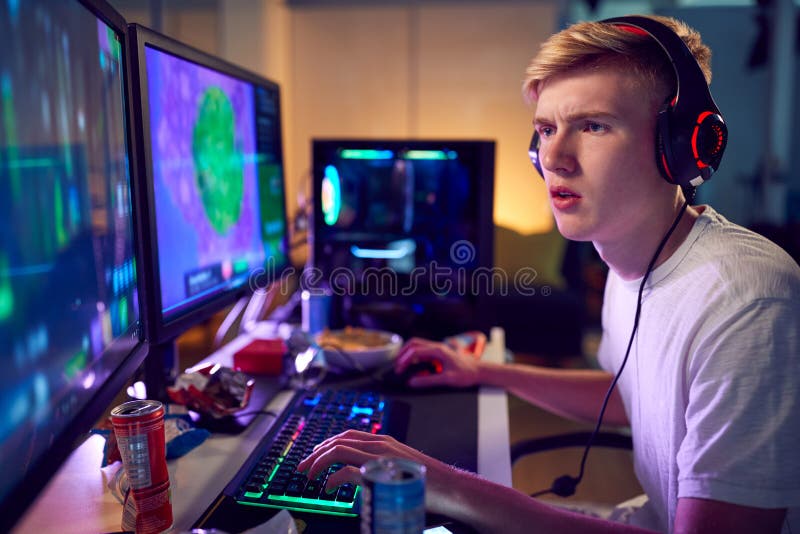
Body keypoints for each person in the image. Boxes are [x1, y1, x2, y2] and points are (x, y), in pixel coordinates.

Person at [298, 14, 800, 533]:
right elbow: (631, 394)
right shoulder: (630, 261)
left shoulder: (748, 303)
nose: (553, 158)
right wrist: (485, 371)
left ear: (680, 145)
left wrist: (438, 482)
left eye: (593, 125)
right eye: (545, 129)